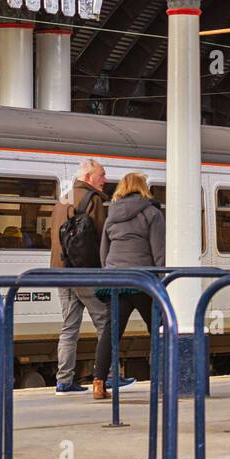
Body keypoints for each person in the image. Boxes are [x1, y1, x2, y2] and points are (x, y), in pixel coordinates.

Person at [92, 171, 166, 400]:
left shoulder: (111, 215)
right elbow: (159, 252)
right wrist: (163, 281)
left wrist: (112, 272)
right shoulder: (152, 213)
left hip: (116, 280)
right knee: (159, 329)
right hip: (143, 280)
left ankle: (98, 382)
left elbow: (103, 253)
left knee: (111, 332)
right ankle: (162, 380)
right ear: (143, 187)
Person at [49, 158, 110, 394]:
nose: (104, 180)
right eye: (102, 175)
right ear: (88, 176)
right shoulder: (92, 199)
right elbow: (101, 239)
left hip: (60, 272)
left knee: (69, 327)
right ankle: (107, 376)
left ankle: (64, 381)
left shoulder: (63, 198)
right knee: (106, 322)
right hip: (84, 272)